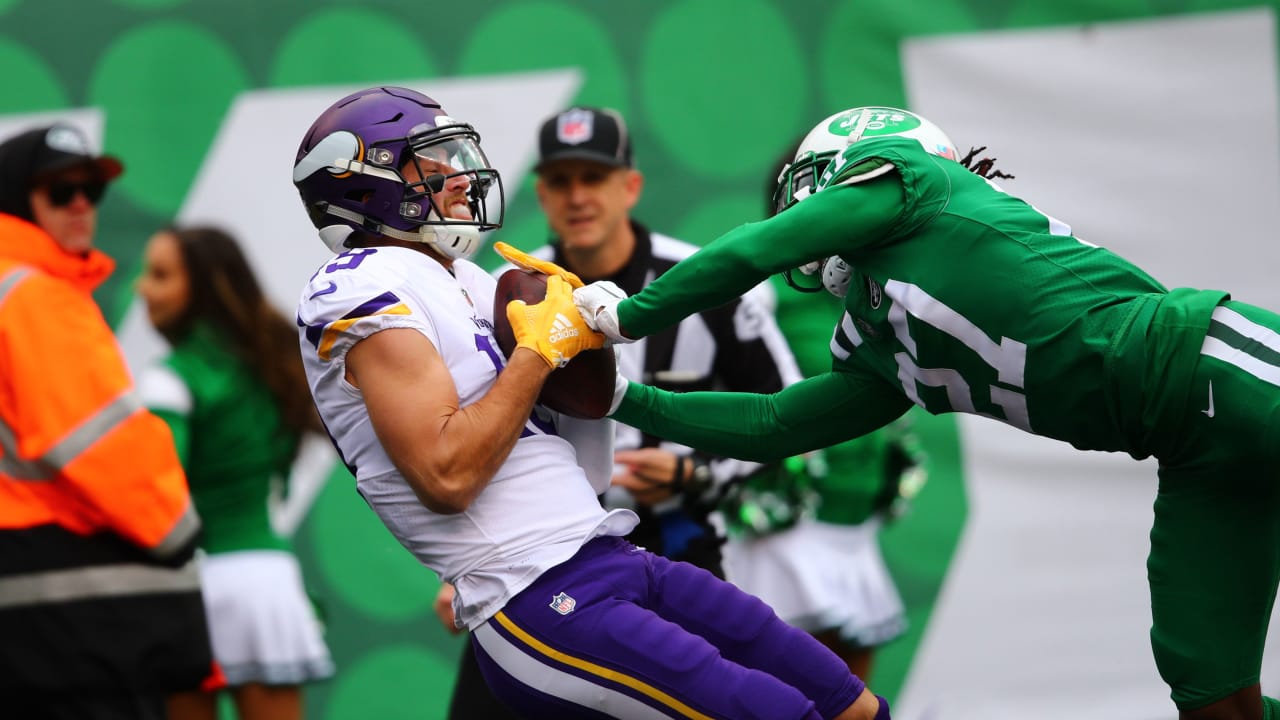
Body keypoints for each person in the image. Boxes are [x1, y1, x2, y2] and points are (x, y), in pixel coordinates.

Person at [521, 104, 1280, 720]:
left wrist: (628, 318)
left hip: (1214, 362)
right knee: (1214, 698)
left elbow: (755, 249)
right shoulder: (879, 338)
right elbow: (775, 426)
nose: (797, 211)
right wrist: (624, 395)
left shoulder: (917, 185)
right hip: (1191, 456)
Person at [290, 85, 888, 720]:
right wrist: (539, 352)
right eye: (431, 165)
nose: (459, 179)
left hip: (611, 549)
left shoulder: (465, 278)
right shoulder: (357, 288)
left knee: (848, 702)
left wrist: (587, 345)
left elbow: (583, 430)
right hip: (534, 593)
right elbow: (448, 475)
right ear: (365, 183)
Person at [443, 104, 807, 718]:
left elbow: (791, 425)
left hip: (681, 554)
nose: (577, 196)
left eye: (595, 177)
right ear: (541, 192)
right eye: (561, 181)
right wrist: (460, 567)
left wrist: (694, 474)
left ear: (630, 186)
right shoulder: (502, 290)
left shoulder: (707, 278)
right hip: (536, 567)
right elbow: (477, 435)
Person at [0, 123, 215, 718]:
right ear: (15, 198)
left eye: (90, 190)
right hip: (71, 623)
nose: (79, 205)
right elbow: (98, 441)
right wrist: (177, 529)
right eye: (58, 190)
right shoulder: (34, 295)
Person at [135, 224, 335, 719]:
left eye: (160, 276)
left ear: (199, 288)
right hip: (265, 582)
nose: (143, 288)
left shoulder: (170, 381)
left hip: (190, 583)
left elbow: (156, 488)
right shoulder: (272, 364)